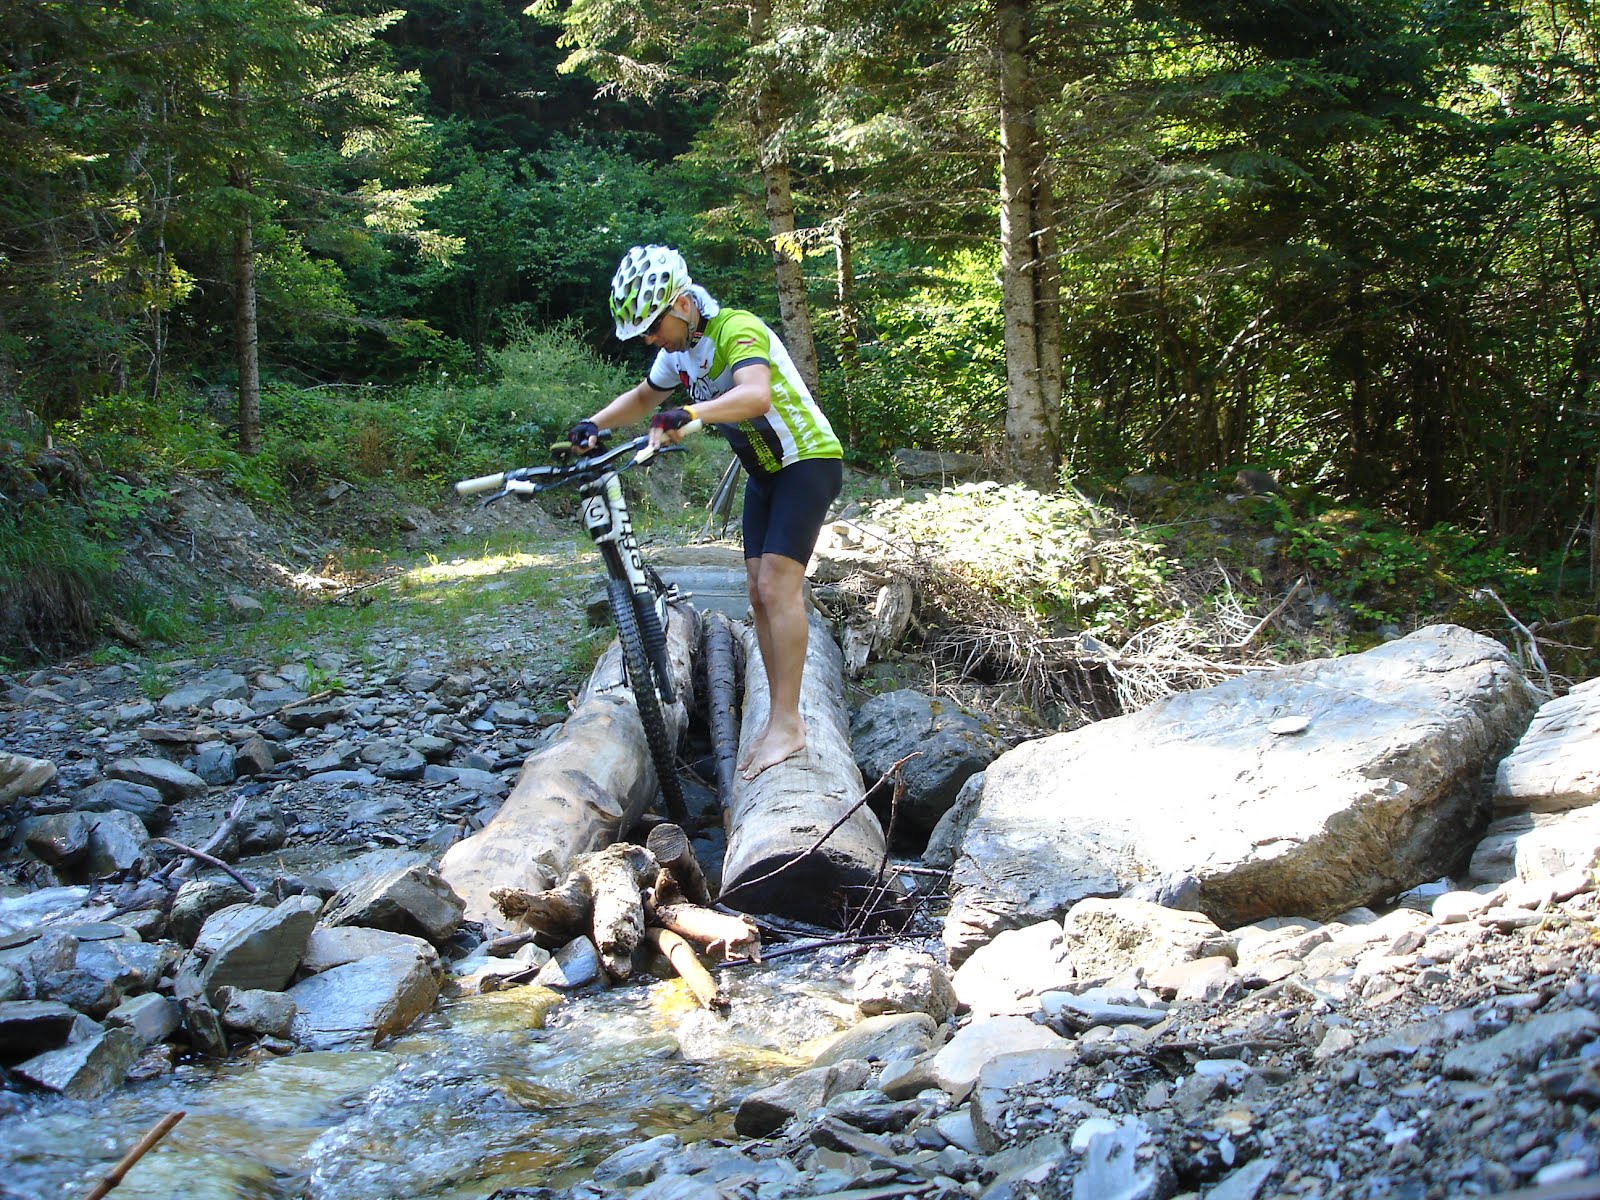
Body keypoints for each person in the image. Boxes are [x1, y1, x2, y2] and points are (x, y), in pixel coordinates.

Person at [571, 244, 843, 781]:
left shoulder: (736, 329)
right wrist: (594, 424)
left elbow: (756, 396)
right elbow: (646, 396)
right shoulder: (679, 352)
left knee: (777, 588)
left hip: (807, 462)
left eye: (652, 326)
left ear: (681, 305)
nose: (650, 339)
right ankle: (777, 711)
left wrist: (692, 410)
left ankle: (789, 722)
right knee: (755, 593)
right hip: (765, 473)